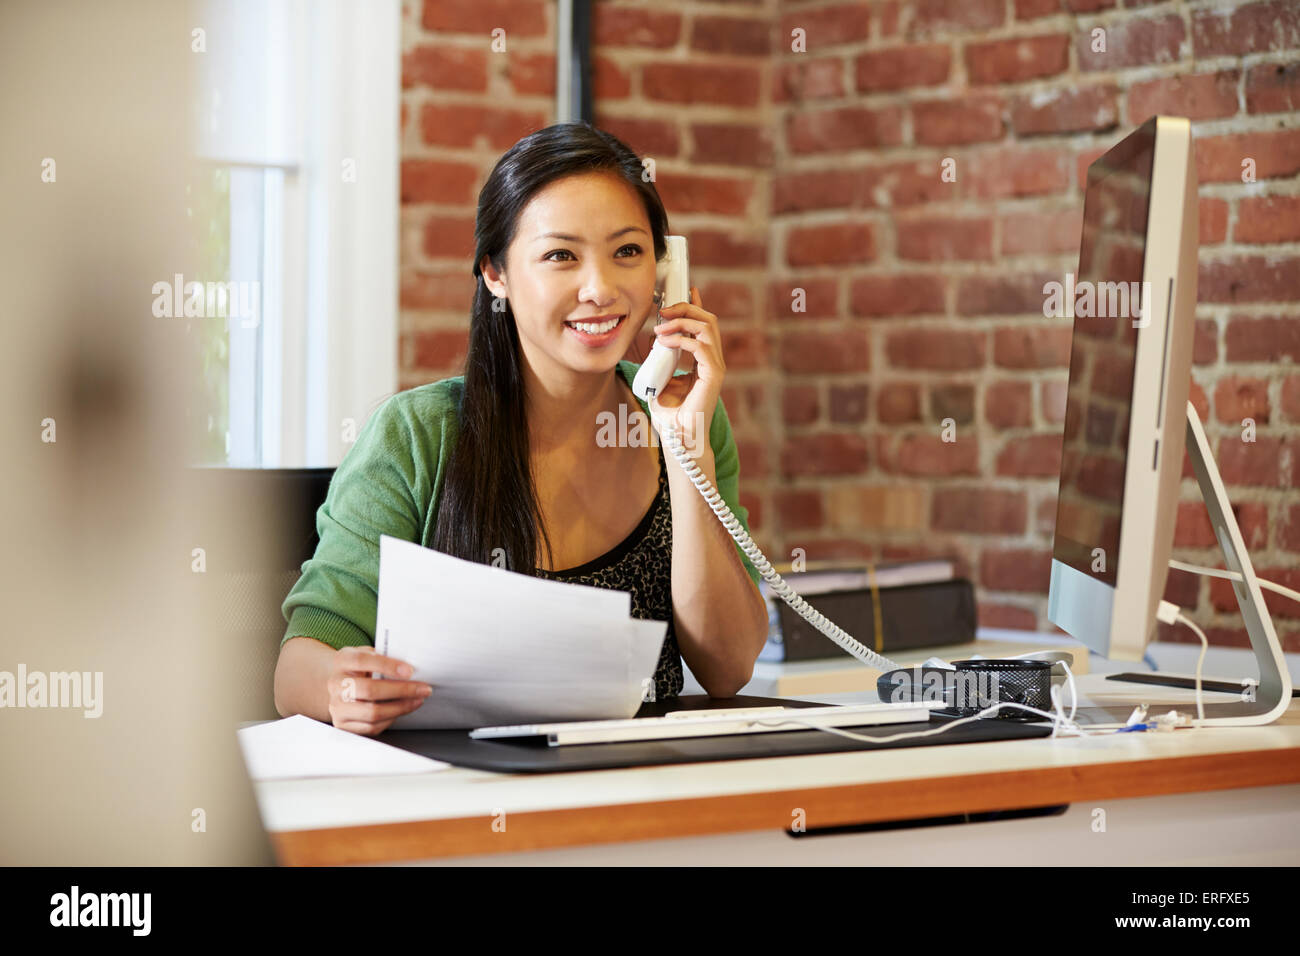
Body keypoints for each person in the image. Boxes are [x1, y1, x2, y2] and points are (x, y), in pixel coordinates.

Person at [274, 121, 768, 736]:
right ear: (495, 275)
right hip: (457, 795)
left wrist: (682, 442)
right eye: (561, 255)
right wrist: (341, 689)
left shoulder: (684, 414)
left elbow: (729, 667)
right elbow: (296, 669)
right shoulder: (417, 435)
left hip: (637, 790)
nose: (601, 288)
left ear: (666, 272)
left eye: (629, 252)